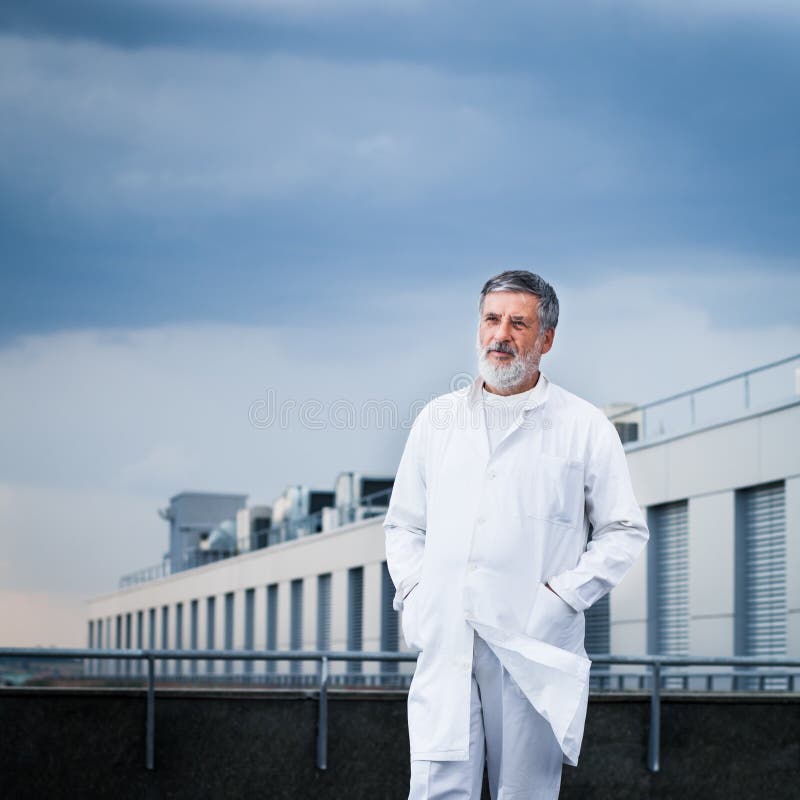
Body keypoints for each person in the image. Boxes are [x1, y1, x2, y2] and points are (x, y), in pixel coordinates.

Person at [384, 270, 649, 799]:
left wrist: (563, 597)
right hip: (449, 641)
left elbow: (623, 529)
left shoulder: (583, 425)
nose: (501, 334)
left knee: (523, 793)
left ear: (546, 339)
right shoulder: (437, 421)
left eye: (518, 323)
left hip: (531, 643)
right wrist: (416, 595)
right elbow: (404, 525)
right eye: (491, 319)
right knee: (437, 789)